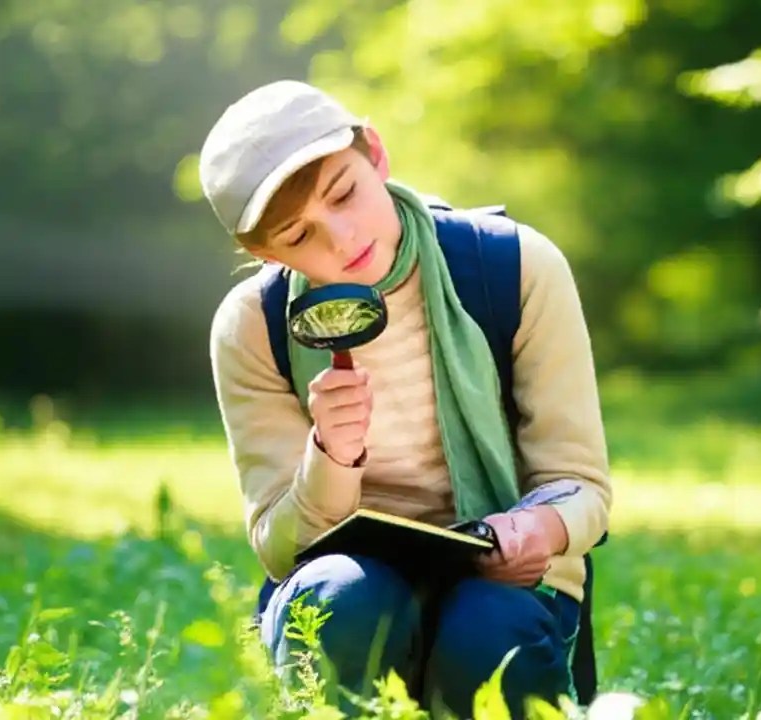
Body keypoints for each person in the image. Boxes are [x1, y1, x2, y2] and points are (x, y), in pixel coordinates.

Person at [198, 79, 613, 719]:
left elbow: (580, 484)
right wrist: (330, 455)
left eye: (344, 194)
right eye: (298, 234)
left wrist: (537, 528)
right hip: (352, 586)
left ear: (376, 154)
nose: (338, 239)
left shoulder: (515, 267)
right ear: (262, 252)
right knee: (340, 601)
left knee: (487, 630)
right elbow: (279, 546)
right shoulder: (254, 326)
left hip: (507, 581)